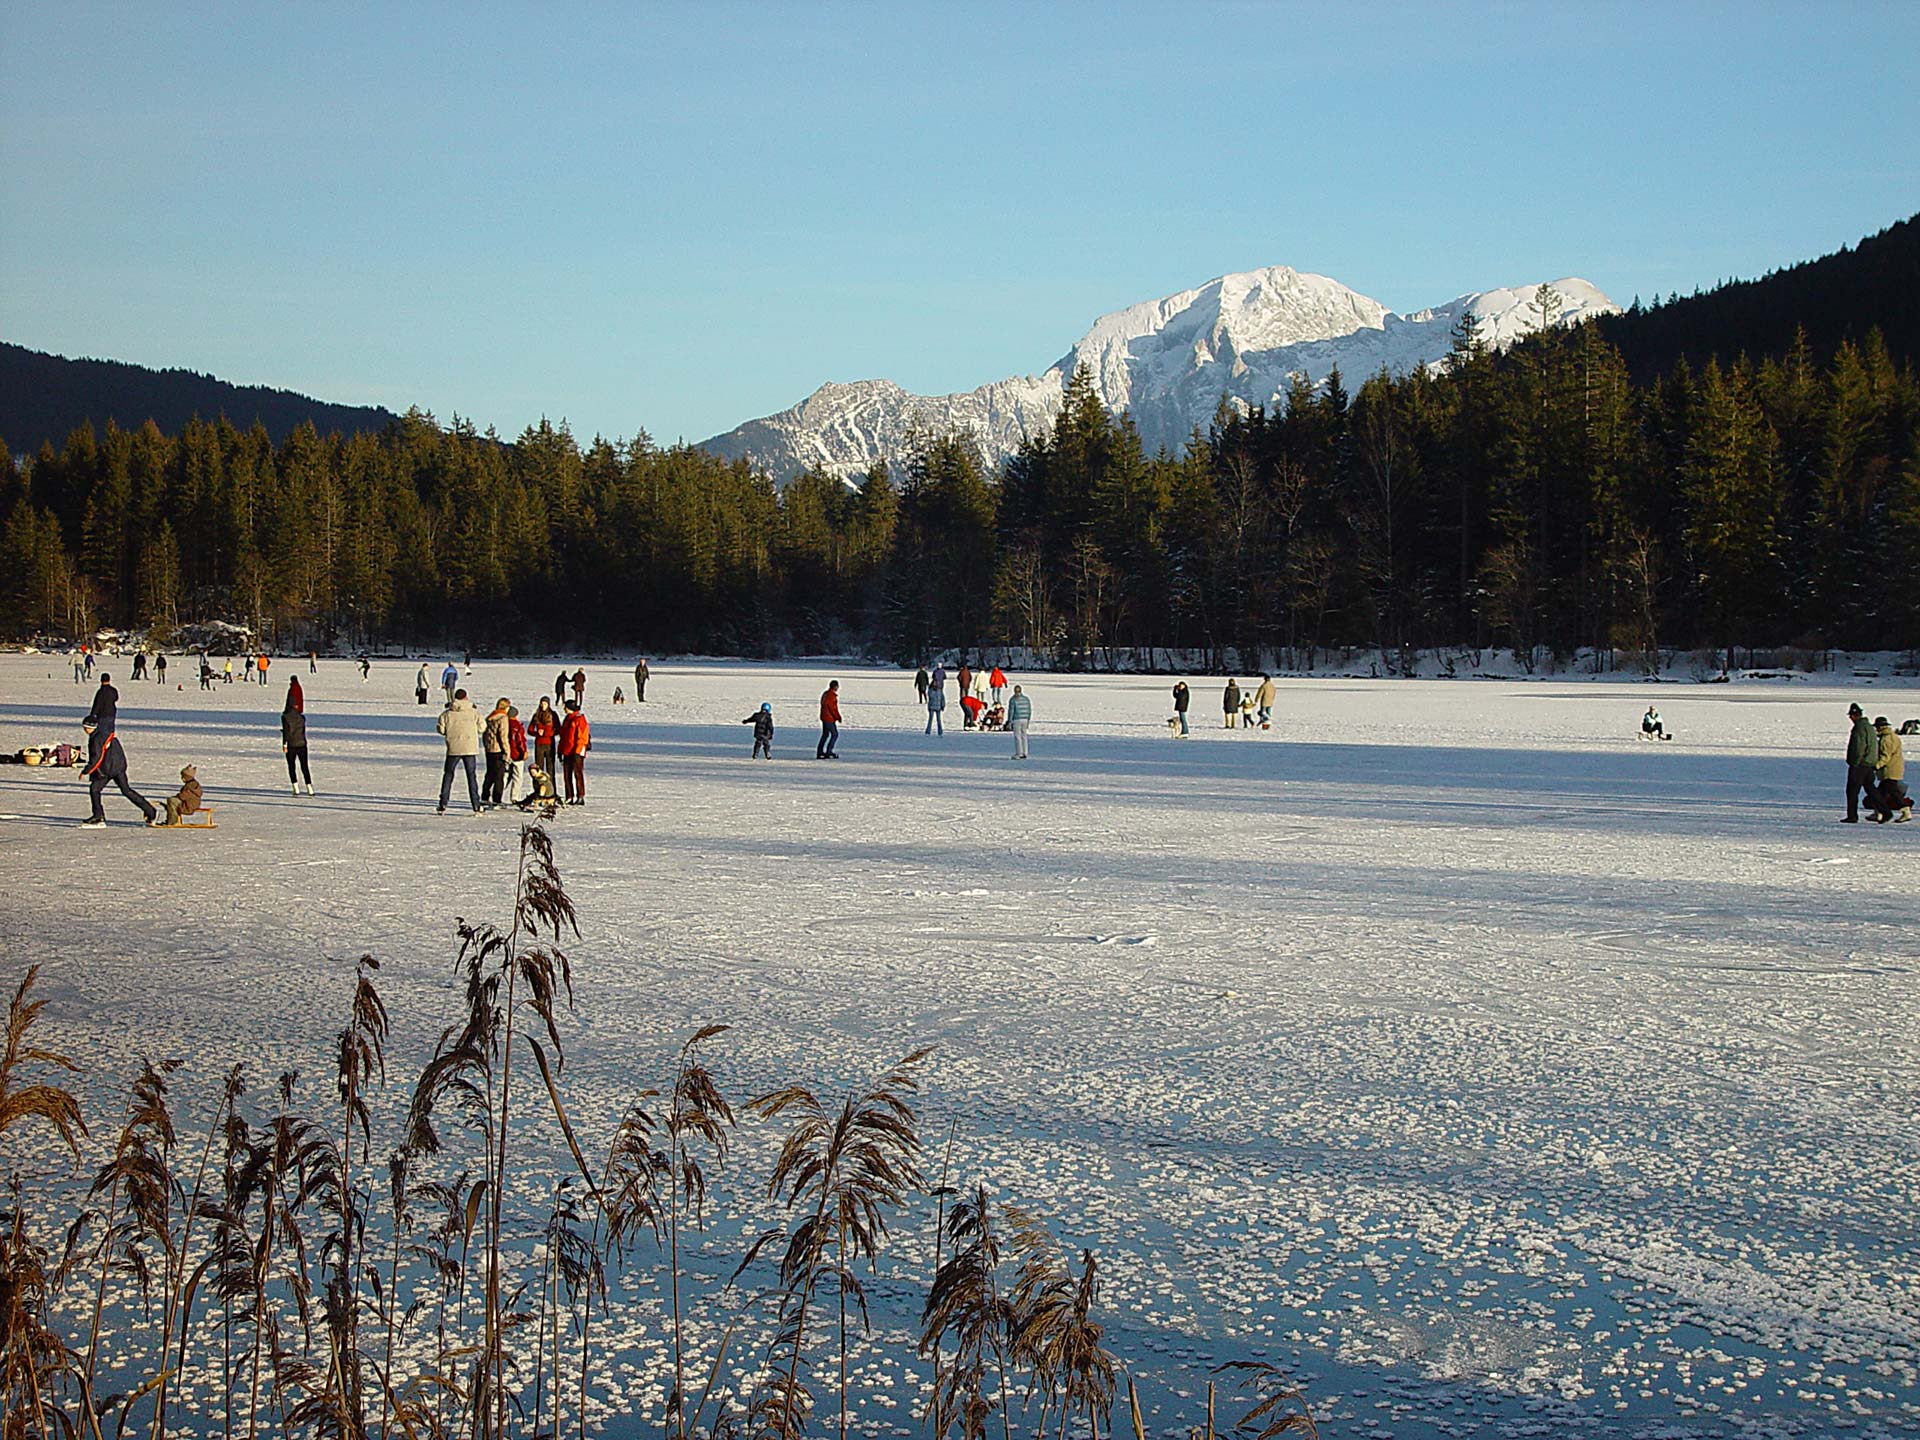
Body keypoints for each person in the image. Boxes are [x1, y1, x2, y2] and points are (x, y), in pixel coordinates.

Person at [80, 715, 156, 827]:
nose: (85, 730)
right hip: (118, 766)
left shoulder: (96, 738)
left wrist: (86, 771)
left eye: (86, 728)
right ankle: (150, 811)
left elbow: (97, 757)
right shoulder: (106, 733)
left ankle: (98, 816)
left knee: (94, 789)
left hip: (107, 769)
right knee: (126, 790)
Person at [436, 689, 483, 814]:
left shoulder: (446, 714)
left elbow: (441, 729)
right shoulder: (474, 712)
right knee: (471, 776)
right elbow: (482, 728)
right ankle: (476, 805)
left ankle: (443, 804)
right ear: (466, 697)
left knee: (448, 775)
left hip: (453, 748)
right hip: (470, 748)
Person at [1844, 702, 1879, 823]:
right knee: (1870, 788)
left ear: (1854, 715)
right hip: (1869, 763)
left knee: (1852, 791)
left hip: (1860, 765)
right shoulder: (1869, 726)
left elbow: (1858, 747)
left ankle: (1852, 815)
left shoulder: (1859, 728)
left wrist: (1854, 762)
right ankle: (1885, 811)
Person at [1872, 716, 1910, 823]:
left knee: (1892, 793)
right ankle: (1879, 812)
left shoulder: (1886, 739)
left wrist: (1877, 765)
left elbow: (1885, 756)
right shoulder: (1893, 736)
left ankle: (1905, 811)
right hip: (1895, 768)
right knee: (1881, 793)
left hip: (1890, 770)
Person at [558, 699, 590, 805]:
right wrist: (560, 751)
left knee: (578, 774)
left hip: (576, 751)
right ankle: (569, 796)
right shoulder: (567, 719)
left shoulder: (579, 719)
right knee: (567, 775)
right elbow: (563, 737)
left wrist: (578, 751)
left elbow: (582, 737)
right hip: (567, 751)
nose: (564, 709)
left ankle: (580, 796)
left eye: (565, 707)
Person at [481, 697, 512, 808]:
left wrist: (486, 746)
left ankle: (484, 797)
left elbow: (484, 735)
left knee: (489, 774)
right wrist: (507, 751)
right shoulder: (503, 718)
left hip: (489, 750)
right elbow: (503, 736)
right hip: (498, 750)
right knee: (499, 776)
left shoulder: (490, 717)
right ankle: (496, 800)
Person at [282, 697, 312, 795]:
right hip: (302, 744)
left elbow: (286, 732)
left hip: (291, 745)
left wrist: (284, 744)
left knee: (292, 766)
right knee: (304, 766)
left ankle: (296, 788)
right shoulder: (302, 717)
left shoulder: (285, 717)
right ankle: (309, 787)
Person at [529, 696, 559, 781]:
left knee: (550, 768)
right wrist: (536, 733)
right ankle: (539, 790)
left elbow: (558, 729)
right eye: (542, 703)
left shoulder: (553, 715)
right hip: (539, 744)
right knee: (539, 768)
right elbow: (530, 730)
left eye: (545, 704)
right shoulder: (536, 715)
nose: (543, 705)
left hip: (549, 743)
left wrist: (547, 733)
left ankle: (552, 790)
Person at [505, 705, 528, 802]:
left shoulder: (504, 724)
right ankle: (515, 797)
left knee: (505, 776)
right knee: (517, 776)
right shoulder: (517, 726)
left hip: (506, 753)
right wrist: (524, 751)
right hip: (517, 754)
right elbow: (520, 741)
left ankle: (497, 794)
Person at [818, 680, 842, 759]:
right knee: (834, 734)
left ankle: (820, 751)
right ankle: (829, 751)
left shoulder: (826, 694)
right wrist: (838, 717)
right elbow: (833, 708)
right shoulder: (831, 696)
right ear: (835, 687)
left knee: (825, 734)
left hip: (824, 717)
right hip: (829, 718)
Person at [1007, 684, 1032, 760]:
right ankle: (1025, 752)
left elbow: (1011, 711)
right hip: (1025, 719)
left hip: (1016, 719)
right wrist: (1028, 719)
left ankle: (1019, 753)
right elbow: (1029, 710)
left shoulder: (1013, 699)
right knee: (1024, 735)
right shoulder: (1026, 699)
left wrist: (1009, 721)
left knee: (1017, 736)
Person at [925, 666, 946, 736]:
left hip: (938, 707)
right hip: (932, 707)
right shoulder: (931, 691)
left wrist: (943, 705)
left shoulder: (940, 691)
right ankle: (928, 731)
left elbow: (943, 698)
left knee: (939, 720)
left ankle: (940, 732)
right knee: (930, 720)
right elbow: (930, 698)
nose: (935, 684)